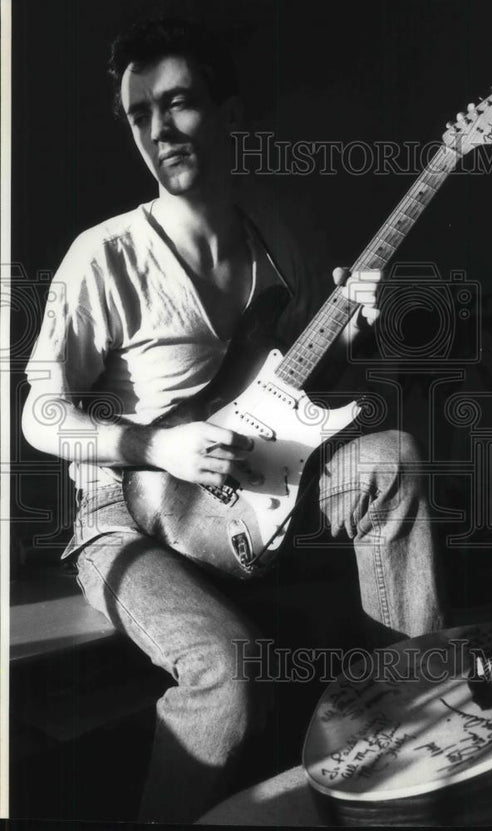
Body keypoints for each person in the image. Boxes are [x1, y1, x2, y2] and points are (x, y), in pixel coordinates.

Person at [22, 17, 445, 823]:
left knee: (389, 458)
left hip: (252, 480)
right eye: (139, 115)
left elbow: (290, 397)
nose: (157, 130)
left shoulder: (271, 233)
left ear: (230, 113)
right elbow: (40, 414)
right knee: (232, 665)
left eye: (177, 103)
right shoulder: (102, 257)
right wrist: (156, 445)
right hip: (130, 517)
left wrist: (348, 334)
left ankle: (411, 725)